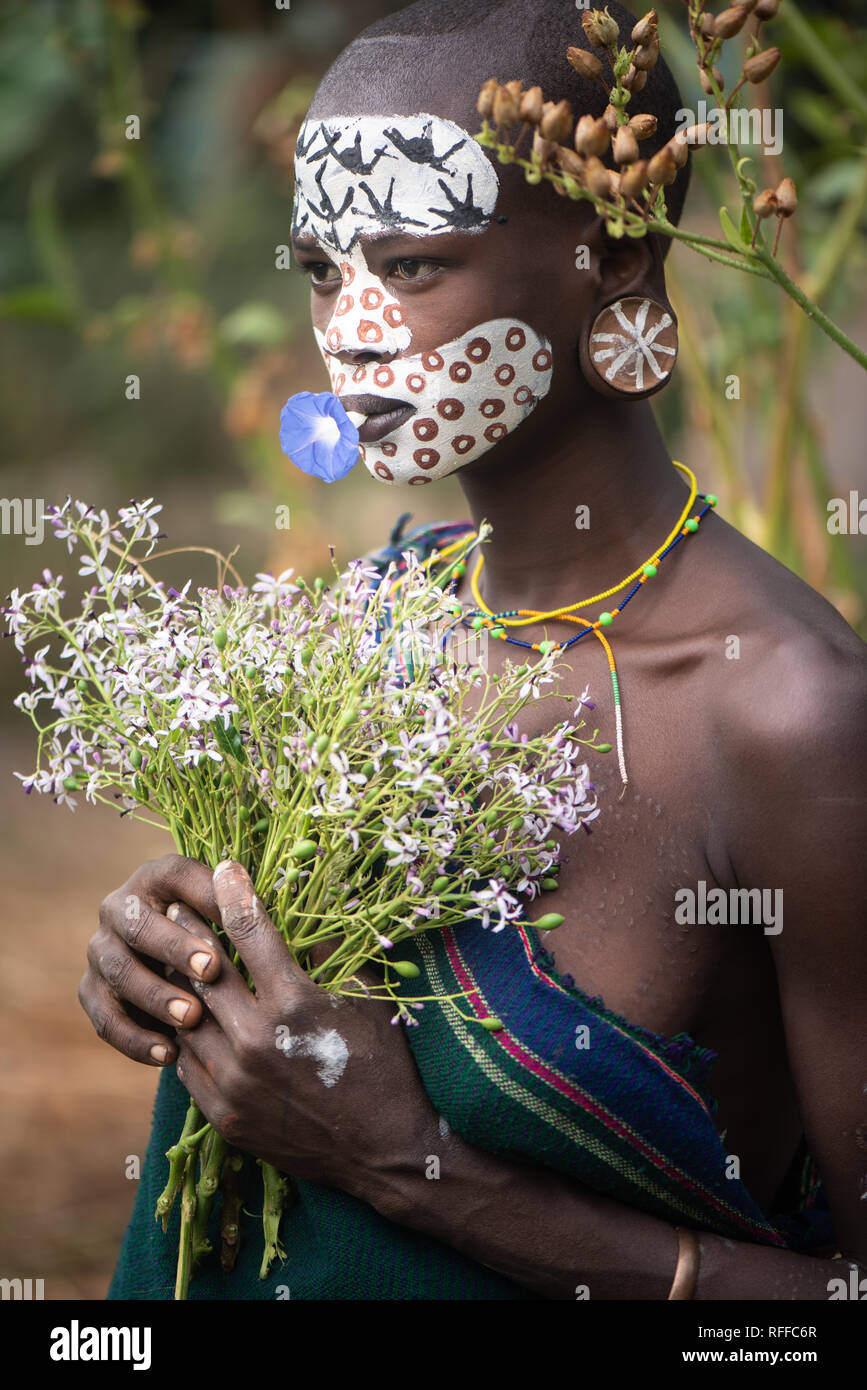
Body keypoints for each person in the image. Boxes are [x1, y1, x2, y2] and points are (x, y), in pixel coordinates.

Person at [83, 0, 866, 1299]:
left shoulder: (790, 718)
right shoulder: (374, 623)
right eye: (322, 269)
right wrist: (174, 961)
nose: (352, 327)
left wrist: (415, 1166)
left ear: (616, 255)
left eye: (415, 262)